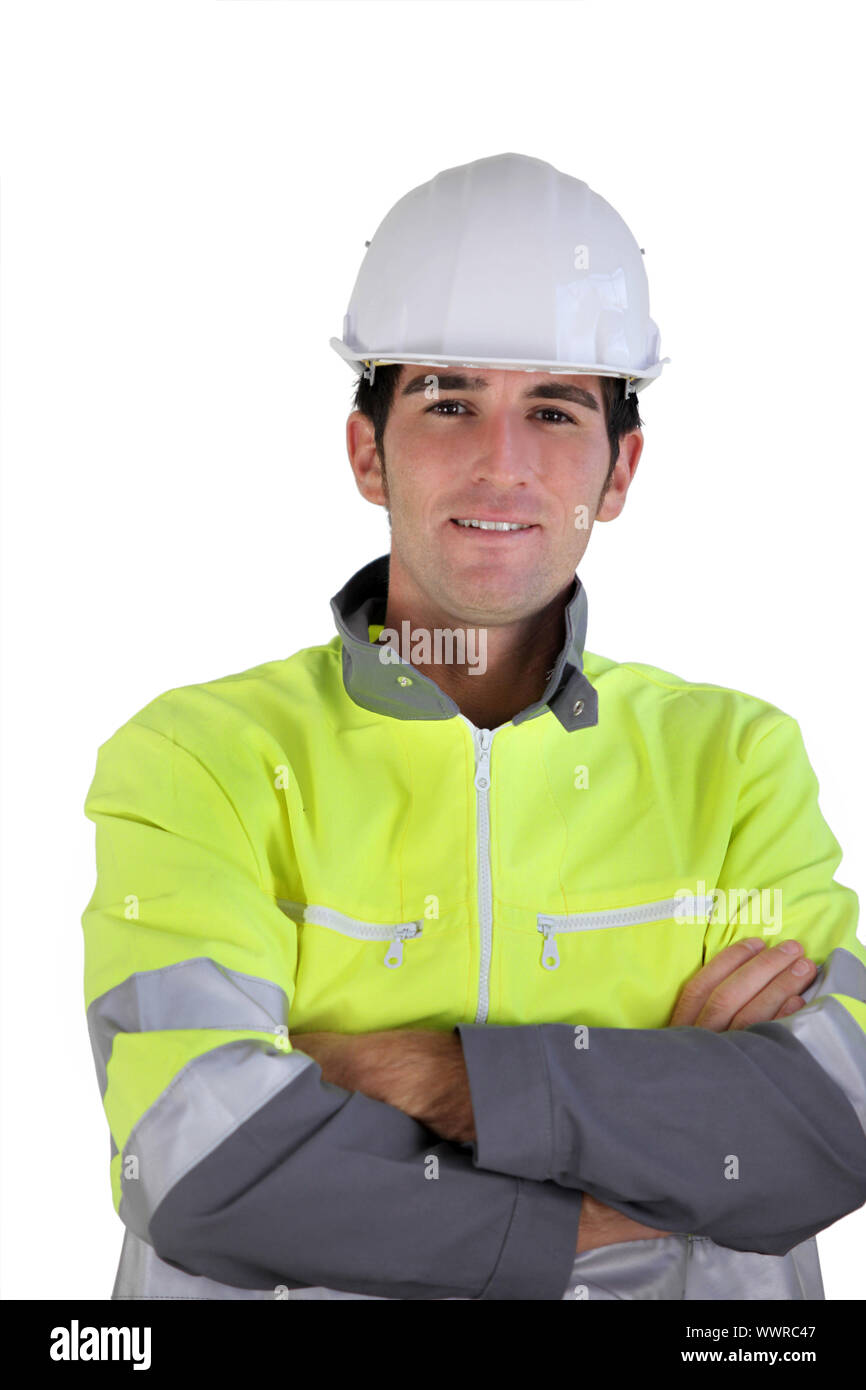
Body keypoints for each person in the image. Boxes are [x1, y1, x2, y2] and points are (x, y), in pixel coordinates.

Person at [81, 152, 866, 1300]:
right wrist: (636, 1147)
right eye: (447, 400)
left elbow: (825, 1128)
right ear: (367, 451)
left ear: (617, 471)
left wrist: (429, 1075)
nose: (501, 461)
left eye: (553, 410)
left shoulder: (736, 760)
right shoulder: (199, 758)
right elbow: (203, 1165)